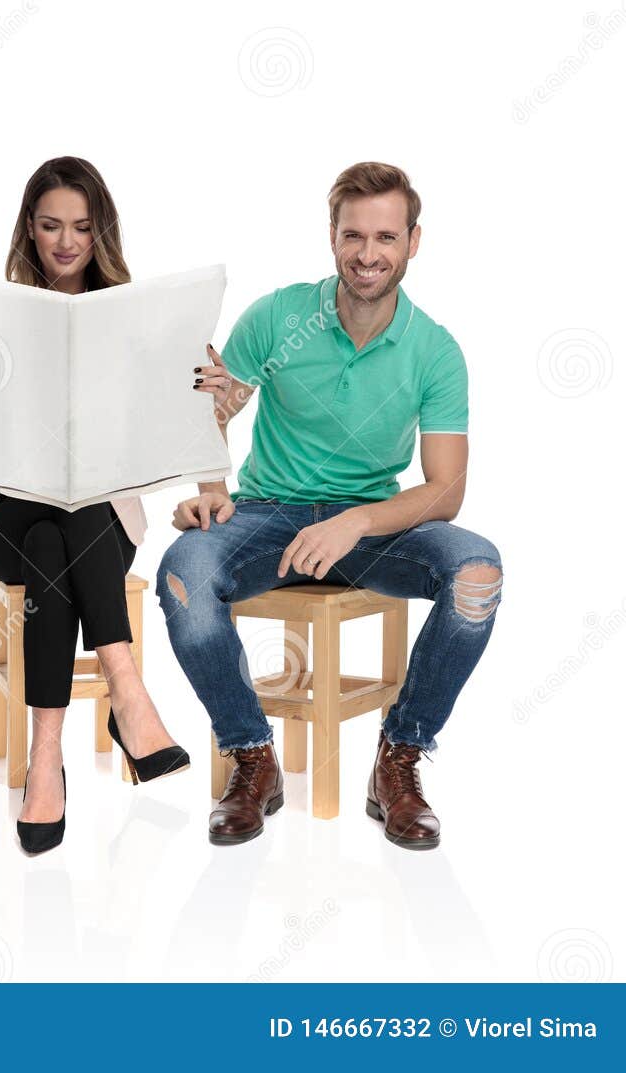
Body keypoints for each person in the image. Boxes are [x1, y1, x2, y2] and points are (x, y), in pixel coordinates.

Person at [159, 162, 502, 850]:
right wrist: (211, 492)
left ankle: (398, 759)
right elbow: (212, 410)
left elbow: (446, 489)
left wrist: (357, 521)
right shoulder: (278, 316)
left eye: (386, 237)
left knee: (477, 572)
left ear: (413, 241)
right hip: (267, 516)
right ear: (333, 236)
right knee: (182, 573)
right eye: (354, 235)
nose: (368, 253)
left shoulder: (435, 351)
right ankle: (252, 756)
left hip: (374, 526)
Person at [0, 157, 190, 855]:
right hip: (2, 514)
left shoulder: (130, 320)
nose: (66, 242)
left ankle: (46, 758)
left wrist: (202, 385)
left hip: (97, 521)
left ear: (101, 233)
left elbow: (167, 420)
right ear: (29, 229)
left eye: (82, 228)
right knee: (49, 524)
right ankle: (129, 694)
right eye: (52, 225)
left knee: (62, 528)